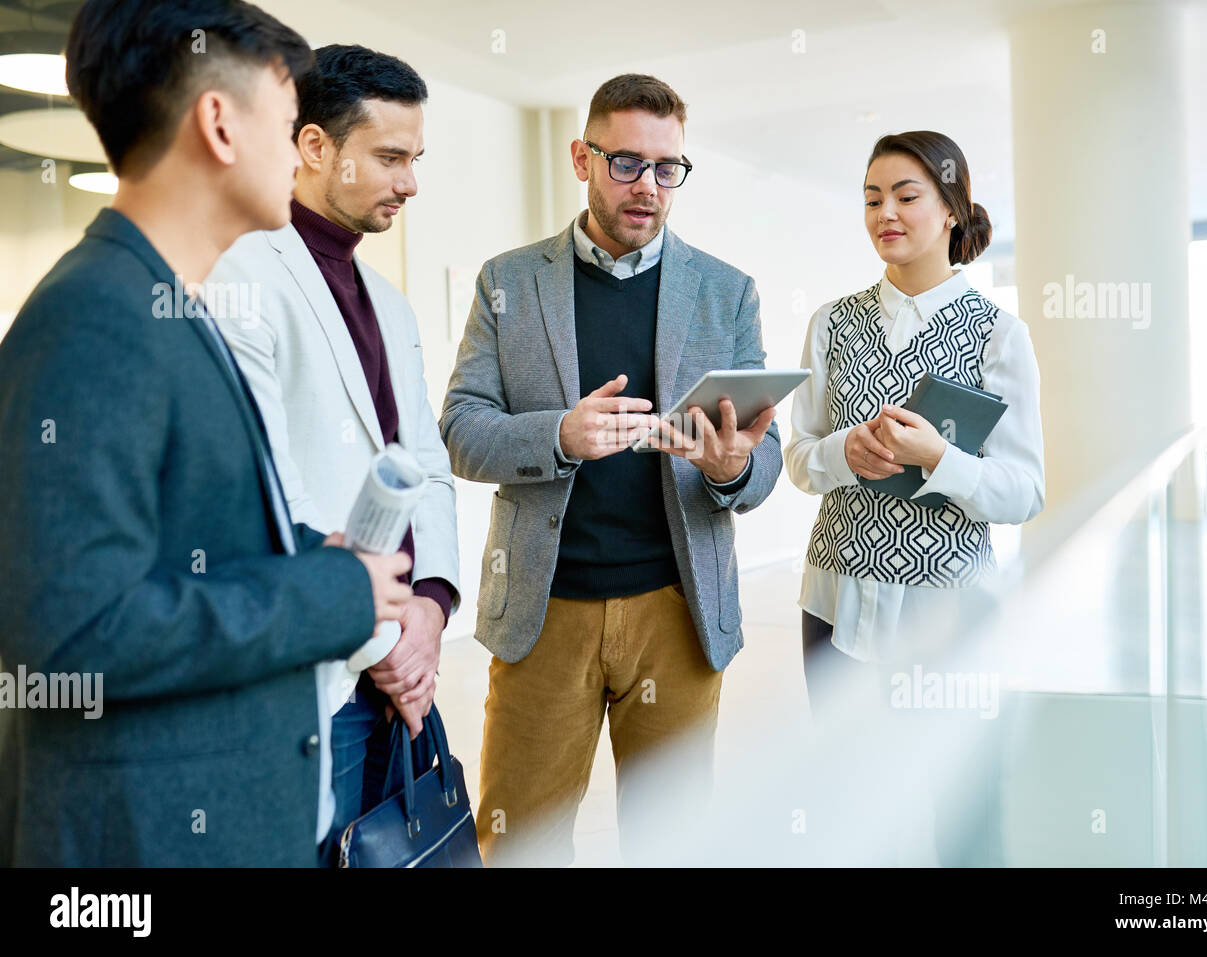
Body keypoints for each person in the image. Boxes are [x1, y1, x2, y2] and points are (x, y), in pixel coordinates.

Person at [0, 0, 412, 866]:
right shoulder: (95, 319)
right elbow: (71, 631)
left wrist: (312, 550)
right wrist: (330, 593)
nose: (301, 146)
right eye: (289, 120)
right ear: (219, 123)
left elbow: (192, 539)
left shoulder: (170, 306)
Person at [440, 73, 782, 866]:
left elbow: (760, 464)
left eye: (668, 169)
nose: (648, 188)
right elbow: (460, 432)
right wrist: (560, 432)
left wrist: (732, 468)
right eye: (626, 163)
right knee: (520, 839)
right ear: (581, 157)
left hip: (680, 612)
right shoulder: (508, 282)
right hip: (545, 611)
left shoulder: (727, 293)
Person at [207, 44, 459, 866]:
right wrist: (386, 647)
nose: (410, 182)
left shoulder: (388, 301)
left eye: (414, 159)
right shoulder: (237, 272)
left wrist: (431, 604)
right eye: (390, 157)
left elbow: (426, 457)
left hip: (403, 656)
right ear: (314, 147)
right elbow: (261, 493)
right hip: (322, 673)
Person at [784, 129, 1045, 863]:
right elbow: (800, 459)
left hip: (951, 610)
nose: (884, 214)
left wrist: (940, 458)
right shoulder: (830, 323)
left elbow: (1024, 490)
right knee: (852, 805)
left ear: (952, 210)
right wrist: (845, 452)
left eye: (905, 196)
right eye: (871, 198)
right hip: (833, 604)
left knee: (962, 812)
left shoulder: (999, 333)